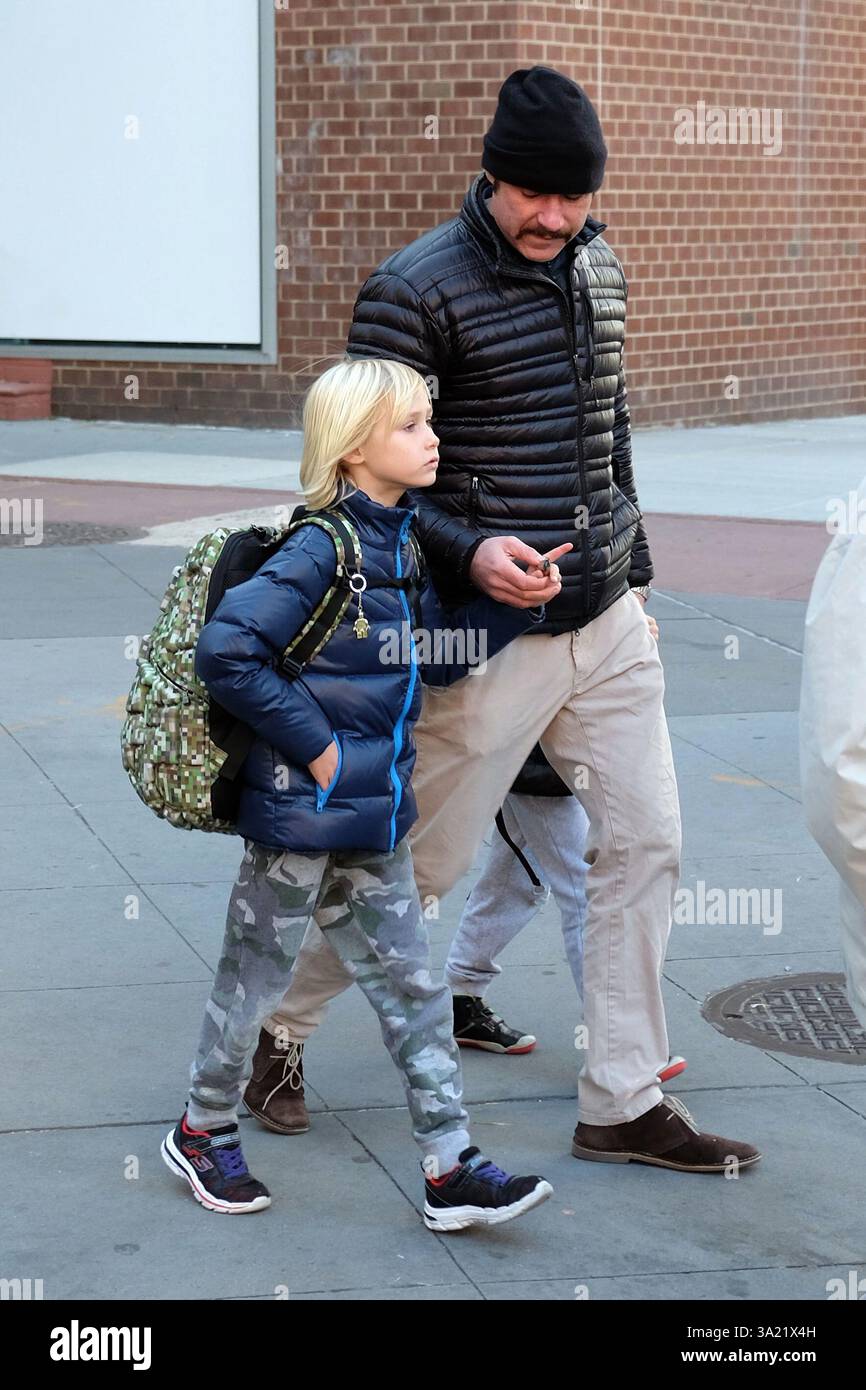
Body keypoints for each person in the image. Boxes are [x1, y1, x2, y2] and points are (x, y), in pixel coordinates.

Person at [250, 65, 761, 1174]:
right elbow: (366, 476)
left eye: (571, 196)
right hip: (480, 638)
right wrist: (472, 551)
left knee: (648, 843)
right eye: (532, 193)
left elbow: (609, 433)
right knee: (417, 866)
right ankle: (278, 1028)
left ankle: (619, 1098)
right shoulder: (411, 289)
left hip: (605, 622)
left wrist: (637, 578)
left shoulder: (600, 265)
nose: (553, 216)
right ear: (488, 175)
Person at [161, 357, 564, 1230]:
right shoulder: (321, 548)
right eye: (412, 425)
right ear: (353, 448)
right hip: (299, 820)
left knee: (413, 988)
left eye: (429, 421)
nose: (434, 437)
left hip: (375, 817)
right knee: (254, 981)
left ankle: (449, 1165)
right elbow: (227, 653)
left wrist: (519, 608)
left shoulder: (399, 540)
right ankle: (203, 1128)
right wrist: (319, 751)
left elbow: (428, 659)